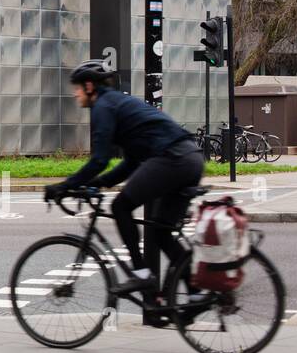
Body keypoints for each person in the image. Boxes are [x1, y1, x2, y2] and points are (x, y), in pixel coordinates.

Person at [44, 60, 205, 296]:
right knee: (161, 231)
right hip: (191, 160)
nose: (75, 93)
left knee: (120, 207)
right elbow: (131, 163)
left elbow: (100, 159)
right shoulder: (118, 104)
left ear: (89, 86)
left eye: (77, 87)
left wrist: (64, 186)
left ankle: (141, 274)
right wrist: (96, 183)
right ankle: (195, 293)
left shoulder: (104, 107)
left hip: (173, 159)